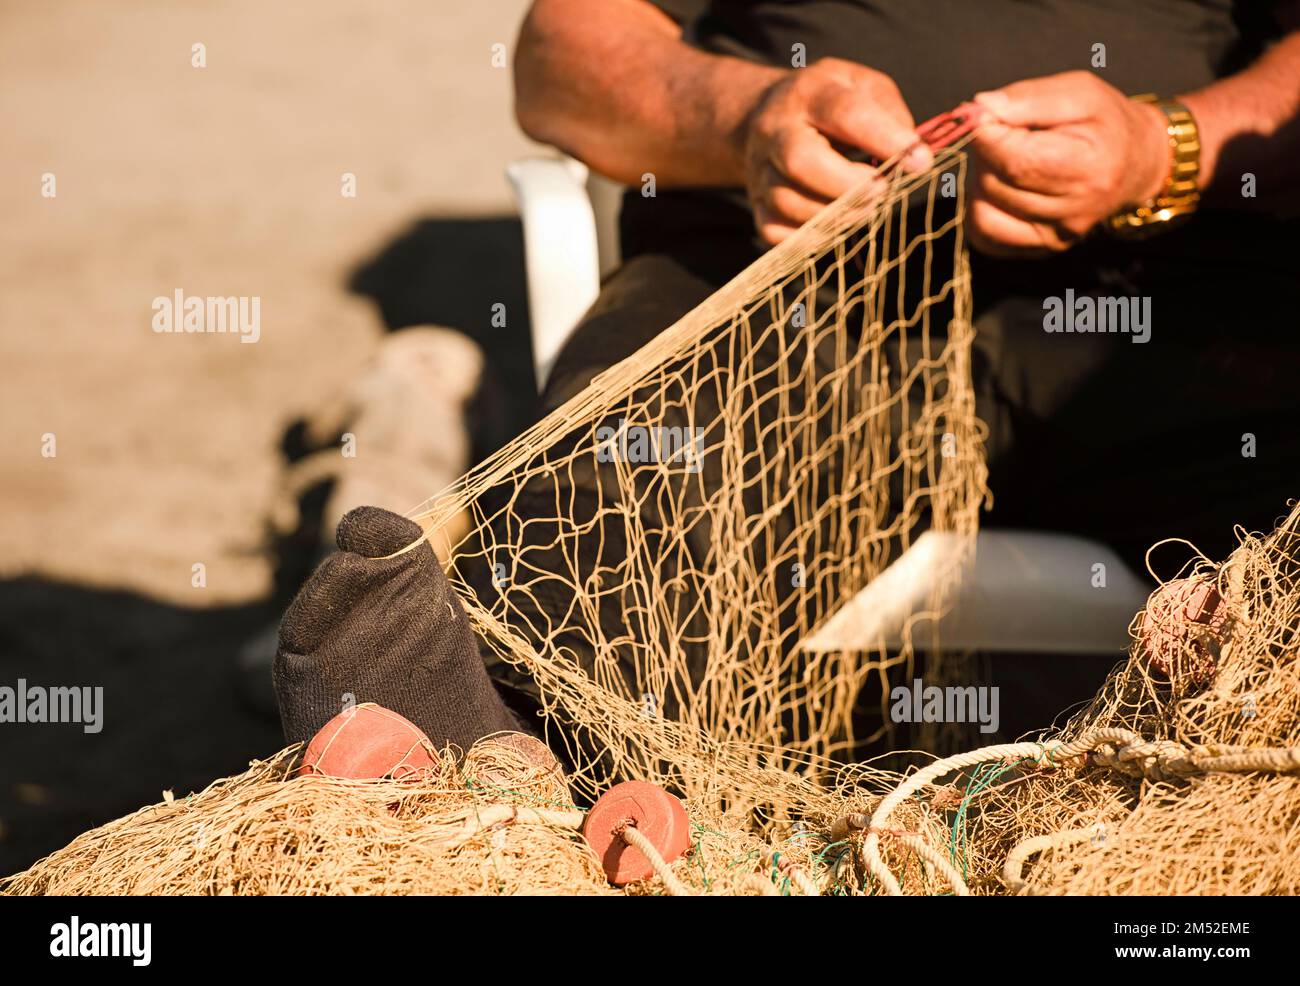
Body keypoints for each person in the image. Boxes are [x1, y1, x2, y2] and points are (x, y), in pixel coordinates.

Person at [274, 1, 1300, 758]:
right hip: (768, 281)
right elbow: (560, 56)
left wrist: (1168, 147)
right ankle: (516, 777)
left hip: (1171, 295)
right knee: (606, 507)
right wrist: (746, 118)